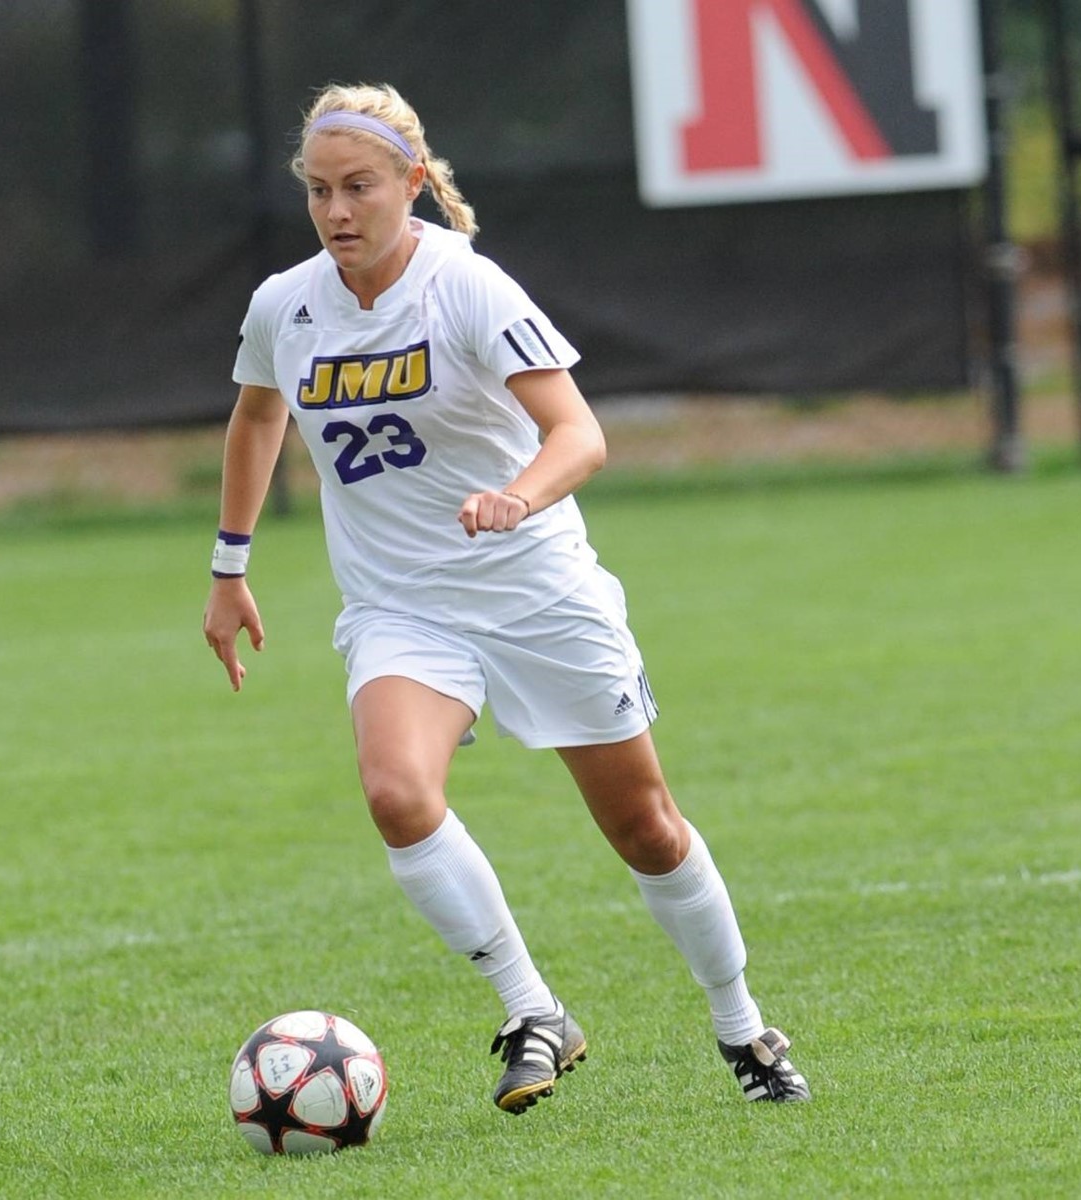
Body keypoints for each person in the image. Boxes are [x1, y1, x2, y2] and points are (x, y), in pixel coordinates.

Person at [202, 82, 809, 1113]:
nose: (337, 212)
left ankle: (741, 1026)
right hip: (403, 607)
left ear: (416, 184)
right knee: (396, 792)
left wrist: (515, 498)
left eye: (359, 187)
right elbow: (258, 418)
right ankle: (533, 1010)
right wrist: (228, 565)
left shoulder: (467, 288)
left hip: (536, 592)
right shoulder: (285, 305)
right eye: (318, 191)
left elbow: (580, 435)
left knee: (646, 829)